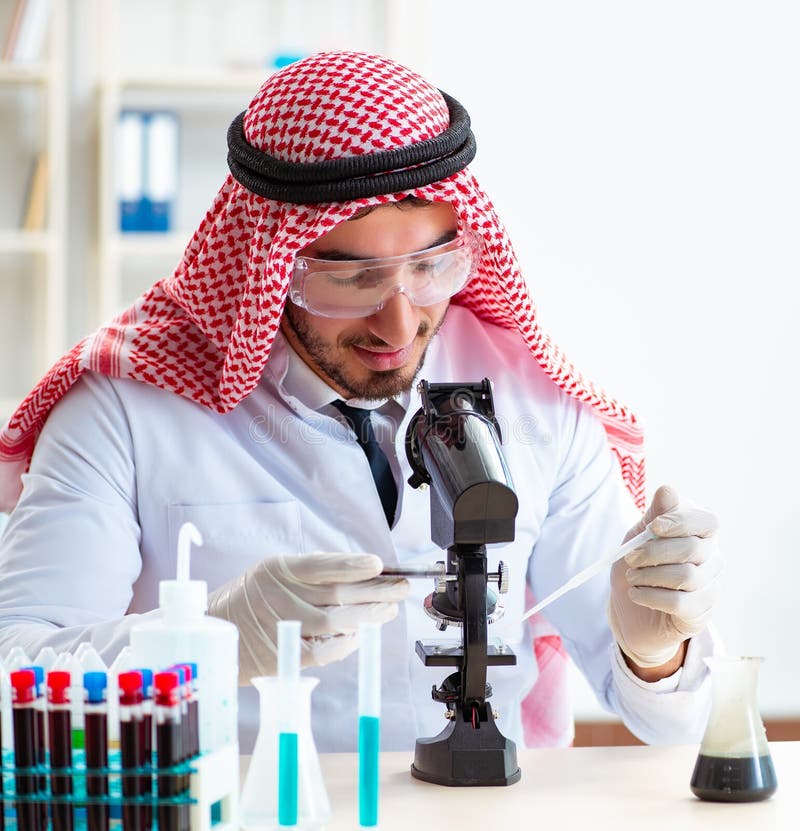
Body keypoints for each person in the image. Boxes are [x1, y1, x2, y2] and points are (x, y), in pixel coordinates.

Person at [0, 51, 722, 753]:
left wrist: (654, 647)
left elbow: (667, 720)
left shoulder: (533, 394)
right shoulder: (126, 408)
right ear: (271, 265)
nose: (400, 324)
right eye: (351, 280)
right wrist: (211, 640)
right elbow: (14, 671)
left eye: (431, 267)